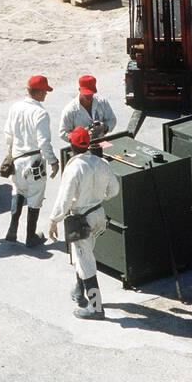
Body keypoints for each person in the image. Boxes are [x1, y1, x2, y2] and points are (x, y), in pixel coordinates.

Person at [48, 126, 121, 320]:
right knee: (83, 255)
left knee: (85, 261)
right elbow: (114, 190)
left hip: (82, 220)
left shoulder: (74, 168)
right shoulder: (101, 162)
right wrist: (99, 198)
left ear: (71, 146)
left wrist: (54, 220)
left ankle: (95, 307)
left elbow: (64, 199)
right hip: (98, 215)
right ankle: (79, 293)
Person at [0, 75, 59, 247]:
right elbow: (44, 142)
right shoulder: (41, 113)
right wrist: (53, 161)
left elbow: (8, 134)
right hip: (34, 162)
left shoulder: (15, 107)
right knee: (35, 197)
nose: (46, 95)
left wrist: (9, 154)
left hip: (17, 160)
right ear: (39, 93)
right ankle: (31, 235)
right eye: (45, 92)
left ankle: (12, 230)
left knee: (18, 191)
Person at [58, 74, 117, 143]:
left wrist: (104, 127)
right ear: (79, 90)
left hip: (101, 143)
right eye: (86, 94)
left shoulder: (102, 102)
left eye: (91, 94)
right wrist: (81, 137)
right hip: (81, 148)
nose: (89, 97)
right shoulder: (70, 110)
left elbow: (112, 120)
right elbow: (63, 133)